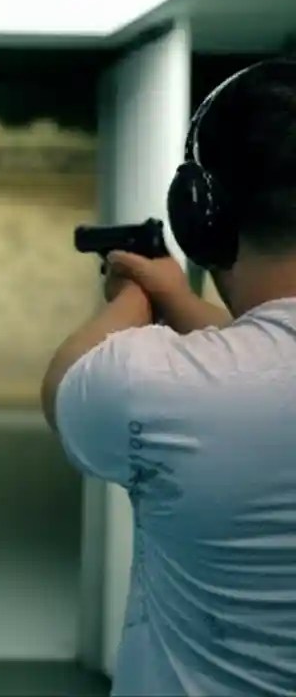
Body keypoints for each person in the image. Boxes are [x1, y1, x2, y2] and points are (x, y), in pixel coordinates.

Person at [42, 58, 296, 695]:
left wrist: (132, 294)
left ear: (199, 217)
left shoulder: (147, 387)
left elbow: (67, 387)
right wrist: (178, 299)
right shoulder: (200, 383)